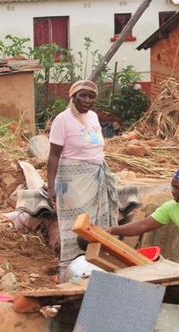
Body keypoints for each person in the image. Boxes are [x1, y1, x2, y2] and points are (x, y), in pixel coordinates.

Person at [46, 80, 118, 275]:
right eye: (82, 96)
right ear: (73, 96)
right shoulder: (63, 120)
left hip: (95, 177)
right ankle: (69, 268)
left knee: (95, 223)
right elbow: (53, 155)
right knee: (75, 224)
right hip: (71, 180)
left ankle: (95, 264)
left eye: (91, 96)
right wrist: (50, 185)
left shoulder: (93, 117)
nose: (87, 100)